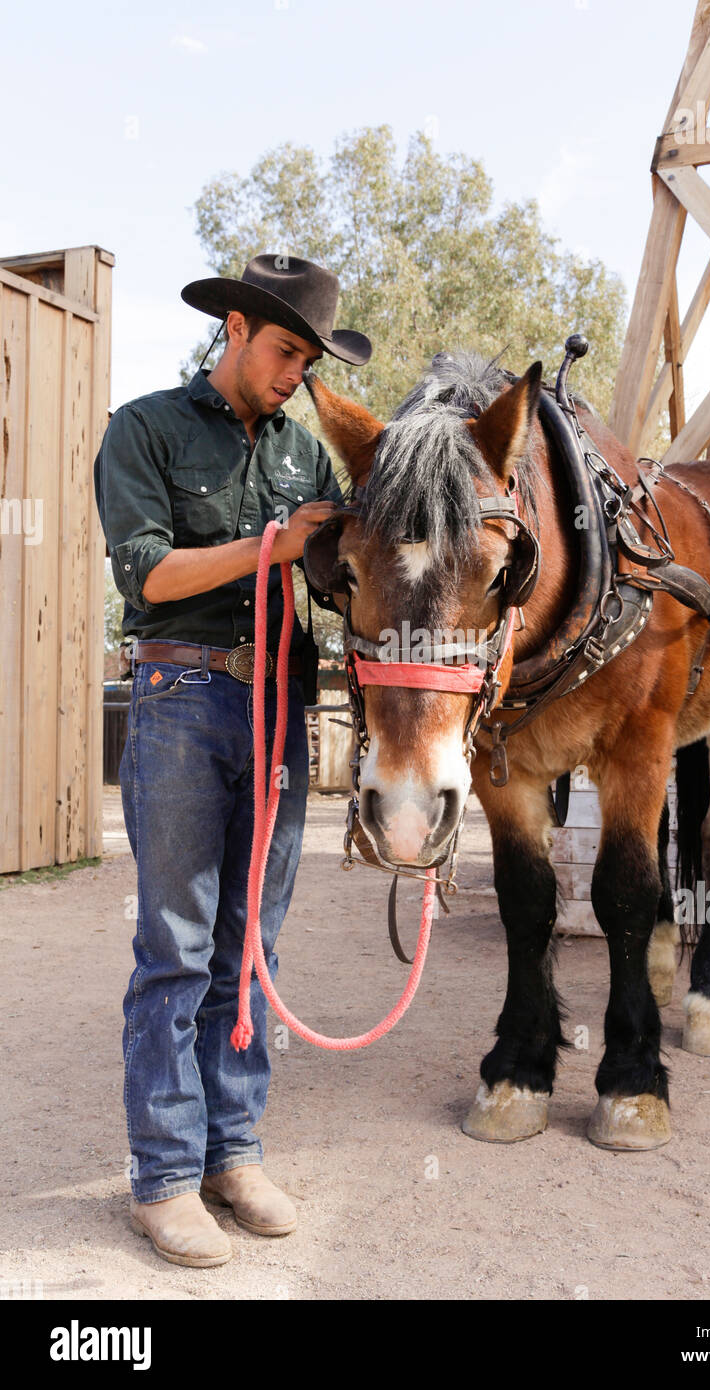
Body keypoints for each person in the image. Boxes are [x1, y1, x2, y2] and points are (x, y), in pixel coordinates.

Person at [94, 255, 371, 1268]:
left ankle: (232, 1151)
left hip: (279, 706)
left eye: (308, 360)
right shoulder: (145, 429)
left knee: (252, 941)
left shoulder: (308, 459)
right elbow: (153, 572)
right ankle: (162, 1176)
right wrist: (273, 545)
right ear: (237, 330)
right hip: (178, 696)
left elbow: (341, 578)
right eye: (285, 350)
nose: (295, 373)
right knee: (174, 944)